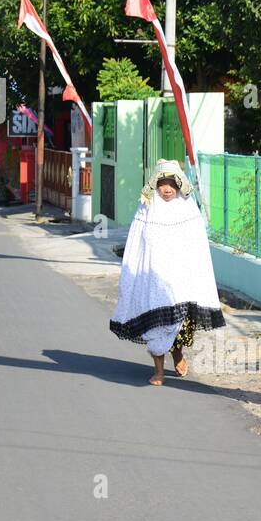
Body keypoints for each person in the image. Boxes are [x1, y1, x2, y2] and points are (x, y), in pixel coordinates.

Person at [110, 159, 225, 385]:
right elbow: (135, 244)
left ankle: (178, 353)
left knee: (179, 325)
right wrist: (132, 276)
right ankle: (159, 371)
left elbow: (196, 246)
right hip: (151, 280)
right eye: (162, 183)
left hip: (179, 281)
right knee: (155, 326)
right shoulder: (147, 207)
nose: (167, 188)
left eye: (172, 183)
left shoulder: (187, 208)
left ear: (180, 185)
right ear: (155, 184)